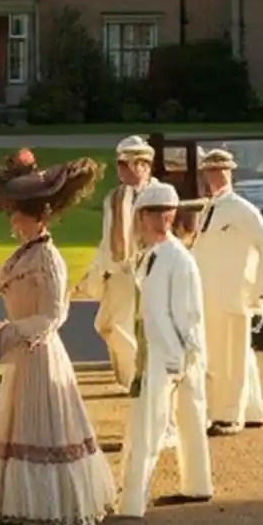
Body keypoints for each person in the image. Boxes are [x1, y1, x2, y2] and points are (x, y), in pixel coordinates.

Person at [0, 151, 116, 525]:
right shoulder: (26, 252)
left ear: (39, 217)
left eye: (19, 213)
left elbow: (53, 315)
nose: (13, 220)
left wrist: (12, 331)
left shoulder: (48, 258)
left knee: (43, 429)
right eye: (13, 213)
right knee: (16, 426)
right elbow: (7, 279)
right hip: (24, 353)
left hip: (38, 353)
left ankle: (49, 505)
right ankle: (15, 502)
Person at [119, 182, 215, 518]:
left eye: (167, 213)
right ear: (143, 216)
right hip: (162, 351)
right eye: (156, 213)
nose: (163, 219)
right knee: (181, 420)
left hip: (173, 354)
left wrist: (177, 360)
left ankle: (132, 502)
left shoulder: (177, 259)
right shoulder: (150, 256)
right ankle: (196, 485)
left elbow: (187, 314)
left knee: (152, 426)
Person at [189, 148, 263, 436]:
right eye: (210, 171)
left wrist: (260, 291)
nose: (215, 176)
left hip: (234, 295)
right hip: (210, 295)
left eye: (221, 170)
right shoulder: (209, 208)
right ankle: (251, 409)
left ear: (231, 173)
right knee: (229, 356)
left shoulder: (241, 208)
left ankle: (229, 417)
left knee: (230, 358)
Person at [77, 135, 155, 393]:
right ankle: (133, 374)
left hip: (151, 270)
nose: (120, 169)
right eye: (119, 163)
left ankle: (139, 377)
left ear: (143, 165)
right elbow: (107, 238)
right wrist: (96, 272)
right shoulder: (114, 197)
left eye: (127, 164)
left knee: (149, 327)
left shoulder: (159, 194)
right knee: (106, 324)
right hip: (121, 270)